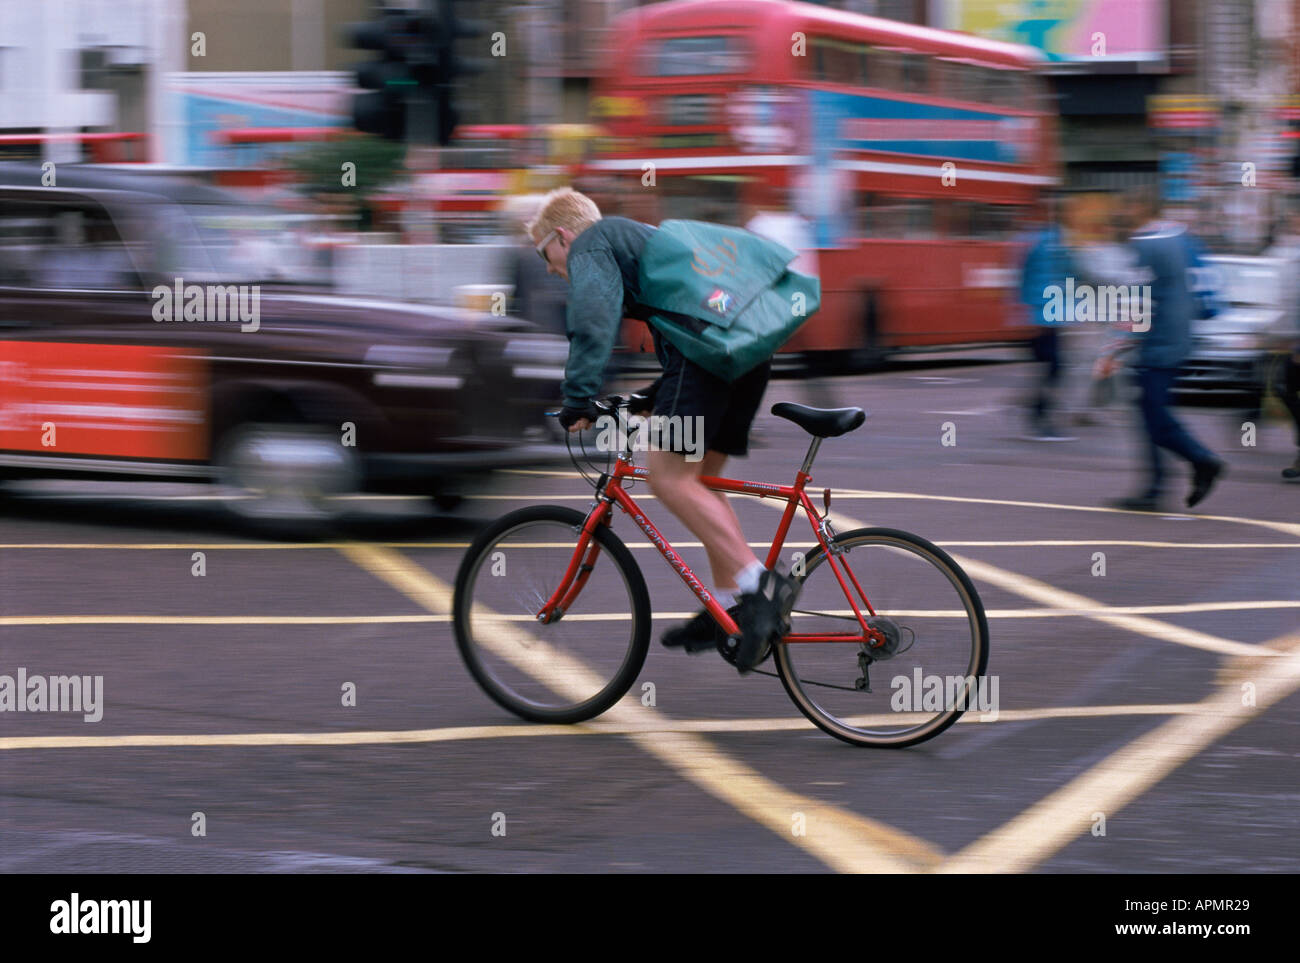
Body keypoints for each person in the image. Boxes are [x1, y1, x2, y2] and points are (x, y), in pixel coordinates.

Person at [526, 187, 796, 673]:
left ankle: (760, 587)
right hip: (742, 349)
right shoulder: (642, 240)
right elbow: (678, 325)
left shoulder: (594, 243)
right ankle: (731, 604)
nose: (549, 268)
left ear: (563, 236)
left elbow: (593, 318)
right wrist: (651, 397)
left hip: (710, 351)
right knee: (703, 481)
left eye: (547, 255)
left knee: (668, 476)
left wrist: (577, 397)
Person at [1107, 186, 1226, 512]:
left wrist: (1116, 349)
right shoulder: (1182, 239)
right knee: (1150, 413)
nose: (1121, 214)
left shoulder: (1146, 245)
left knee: (1155, 414)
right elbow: (1203, 286)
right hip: (1179, 339)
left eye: (1126, 207)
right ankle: (1156, 486)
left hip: (1157, 344)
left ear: (1140, 208)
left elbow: (1136, 303)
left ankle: (1201, 460)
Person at [1016, 192, 1077, 441]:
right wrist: (1022, 314)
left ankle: (1035, 409)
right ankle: (1038, 415)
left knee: (1052, 367)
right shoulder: (1030, 241)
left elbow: (1068, 274)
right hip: (1037, 317)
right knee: (1053, 367)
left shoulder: (1058, 238)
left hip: (1054, 315)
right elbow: (1020, 278)